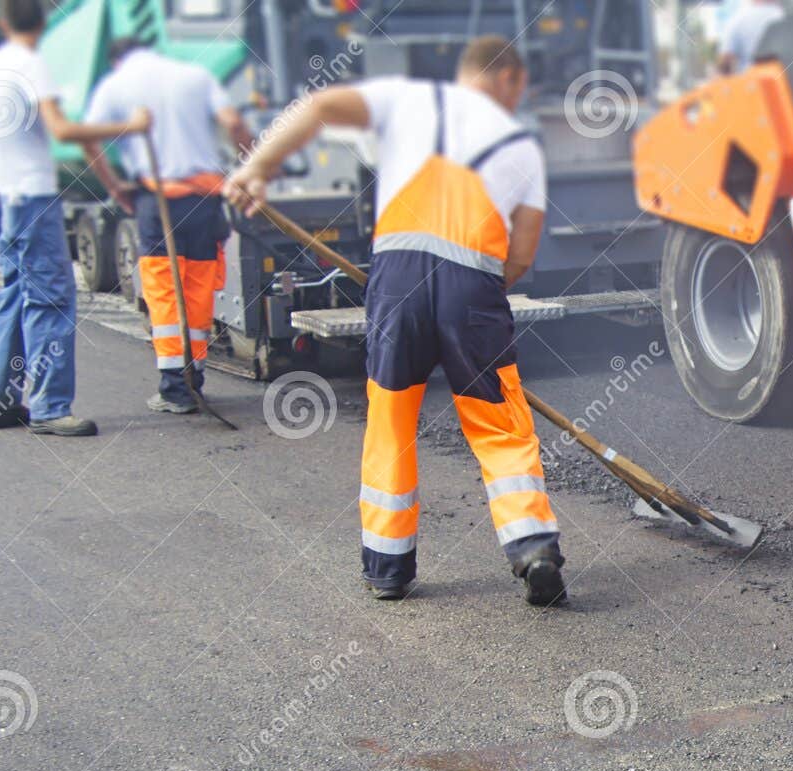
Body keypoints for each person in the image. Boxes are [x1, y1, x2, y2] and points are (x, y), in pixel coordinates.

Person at [223, 36, 567, 607]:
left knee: (391, 419)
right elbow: (524, 252)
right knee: (499, 424)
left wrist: (258, 166)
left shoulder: (408, 100)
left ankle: (387, 568)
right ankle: (532, 547)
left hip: (398, 280)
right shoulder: (522, 146)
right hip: (475, 286)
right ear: (508, 79)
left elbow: (315, 107)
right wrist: (475, 297)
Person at [0, 0, 149, 436]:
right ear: (44, 23)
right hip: (33, 202)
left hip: (10, 201)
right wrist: (131, 127)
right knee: (51, 300)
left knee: (15, 295)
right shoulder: (33, 64)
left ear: (3, 22)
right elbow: (64, 130)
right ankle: (50, 408)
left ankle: (1, 401)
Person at [81, 38, 254, 415]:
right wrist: (250, 171)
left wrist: (112, 186)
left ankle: (176, 389)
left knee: (164, 292)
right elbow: (234, 123)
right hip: (206, 200)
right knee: (198, 289)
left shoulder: (115, 85)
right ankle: (195, 380)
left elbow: (88, 140)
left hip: (159, 201)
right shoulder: (194, 75)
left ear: (116, 60)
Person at [717, 0, 785, 75]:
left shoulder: (737, 21)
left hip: (752, 83)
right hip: (789, 81)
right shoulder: (784, 16)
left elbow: (725, 62)